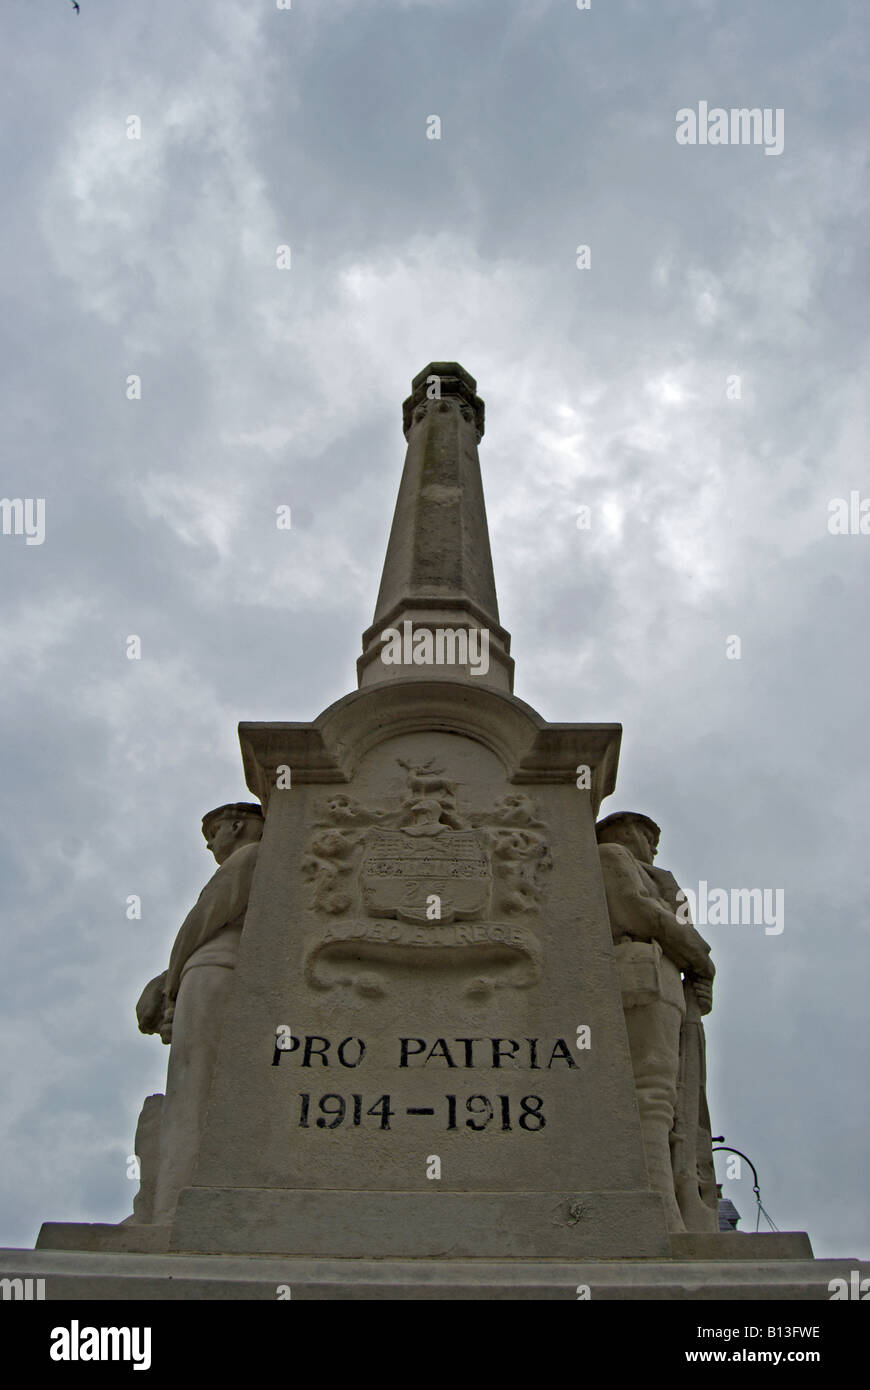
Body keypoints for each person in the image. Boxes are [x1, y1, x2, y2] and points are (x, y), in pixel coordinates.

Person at [135, 802, 264, 1224]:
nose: (210, 844)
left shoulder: (250, 856)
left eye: (213, 833)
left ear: (236, 824)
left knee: (193, 1083)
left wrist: (167, 990)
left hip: (211, 974)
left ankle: (174, 1206)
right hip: (220, 973)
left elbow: (199, 925)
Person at [596, 811, 716, 1232]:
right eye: (649, 836)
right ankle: (661, 1211)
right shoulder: (609, 855)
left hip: (658, 973)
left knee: (666, 1095)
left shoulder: (654, 875)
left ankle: (677, 1199)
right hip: (637, 968)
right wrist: (699, 956)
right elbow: (637, 910)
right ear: (624, 830)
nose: (654, 846)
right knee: (652, 1094)